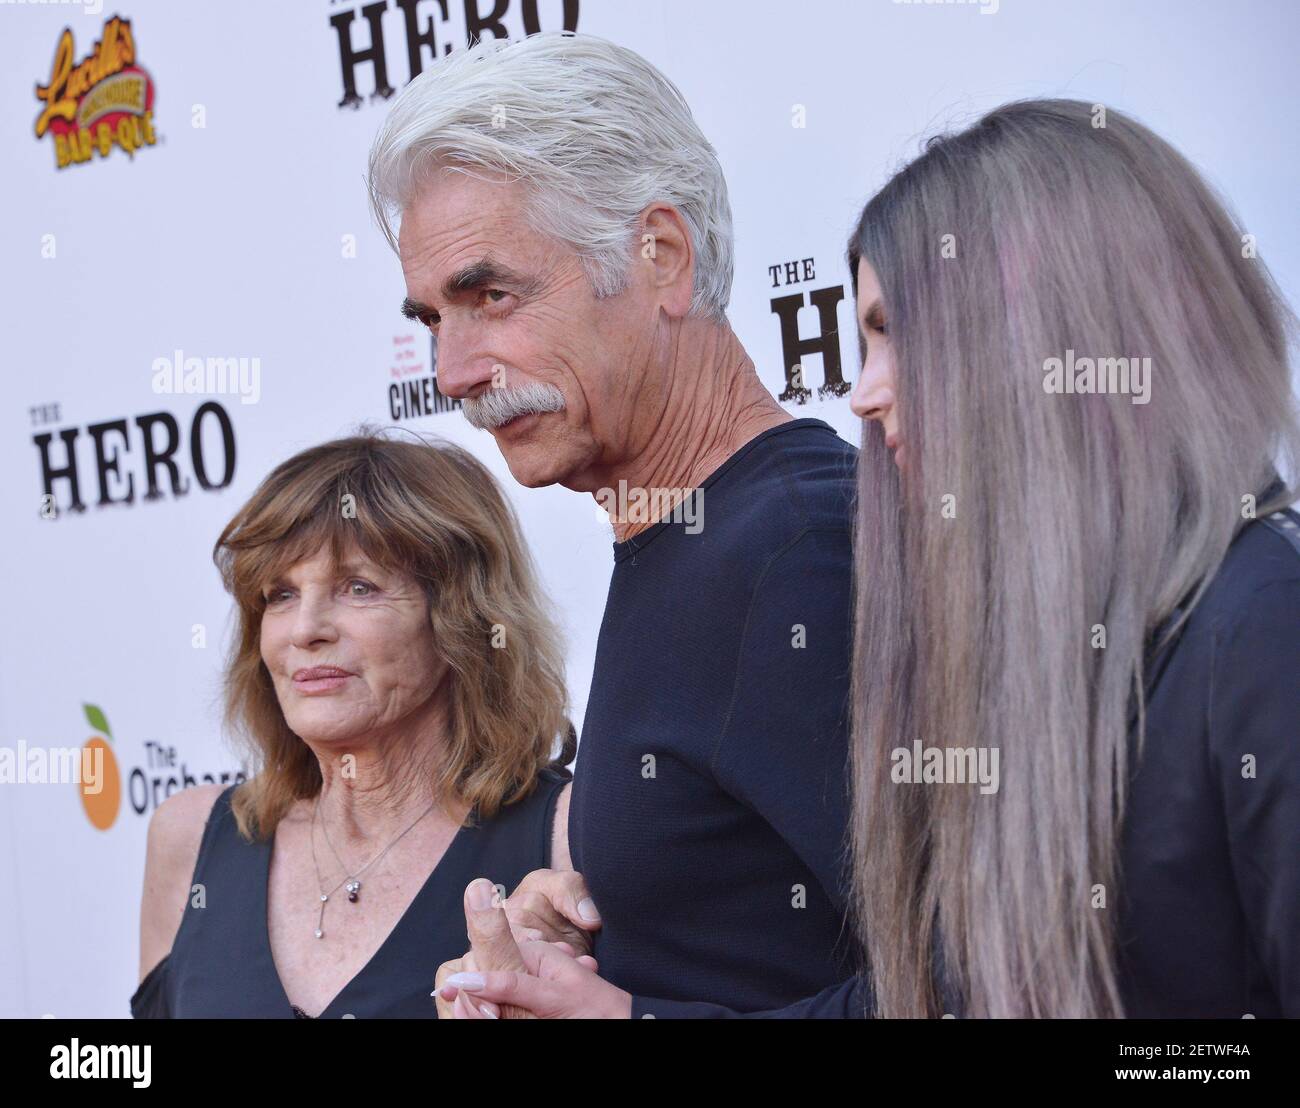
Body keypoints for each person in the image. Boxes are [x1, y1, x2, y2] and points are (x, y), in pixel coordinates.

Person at [440, 98, 1300, 1018]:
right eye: (863, 339)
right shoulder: (1079, 644)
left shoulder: (1260, 626)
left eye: (900, 330)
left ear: (1063, 335)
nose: (865, 392)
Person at [367, 30, 863, 1018]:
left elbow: (992, 976)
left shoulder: (802, 554)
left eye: (490, 295)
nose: (454, 372)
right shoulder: (683, 536)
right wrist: (601, 947)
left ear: (660, 258)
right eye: (431, 318)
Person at [131, 431, 579, 1018]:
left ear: (461, 619)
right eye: (280, 595)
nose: (305, 629)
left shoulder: (567, 838)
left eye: (358, 587)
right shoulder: (188, 840)